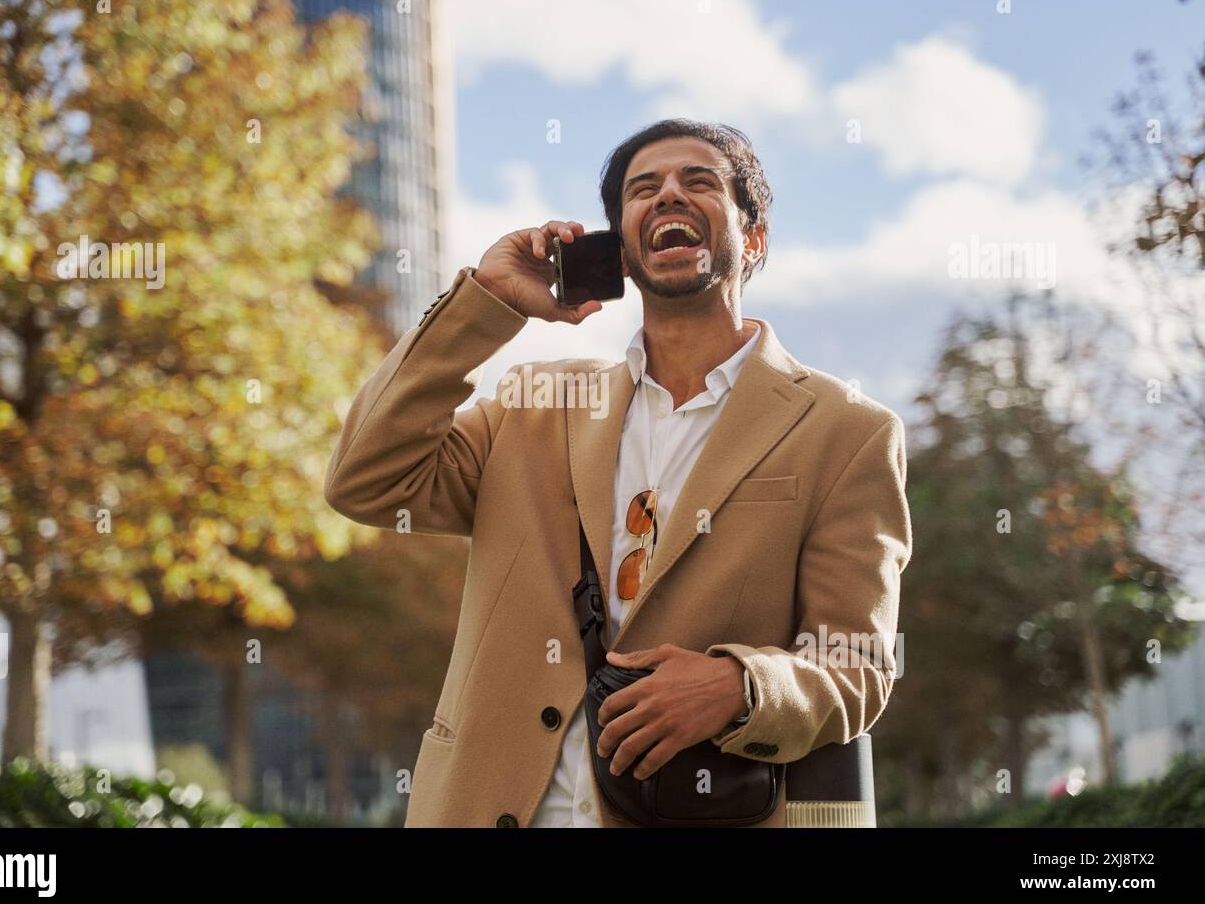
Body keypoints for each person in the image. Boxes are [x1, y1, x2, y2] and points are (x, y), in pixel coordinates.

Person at [323, 118, 912, 828]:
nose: (668, 195)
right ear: (622, 254)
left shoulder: (846, 432)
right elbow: (366, 479)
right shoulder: (531, 405)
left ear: (752, 239)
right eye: (644, 189)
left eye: (699, 182)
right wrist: (488, 303)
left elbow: (856, 664)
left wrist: (742, 686)